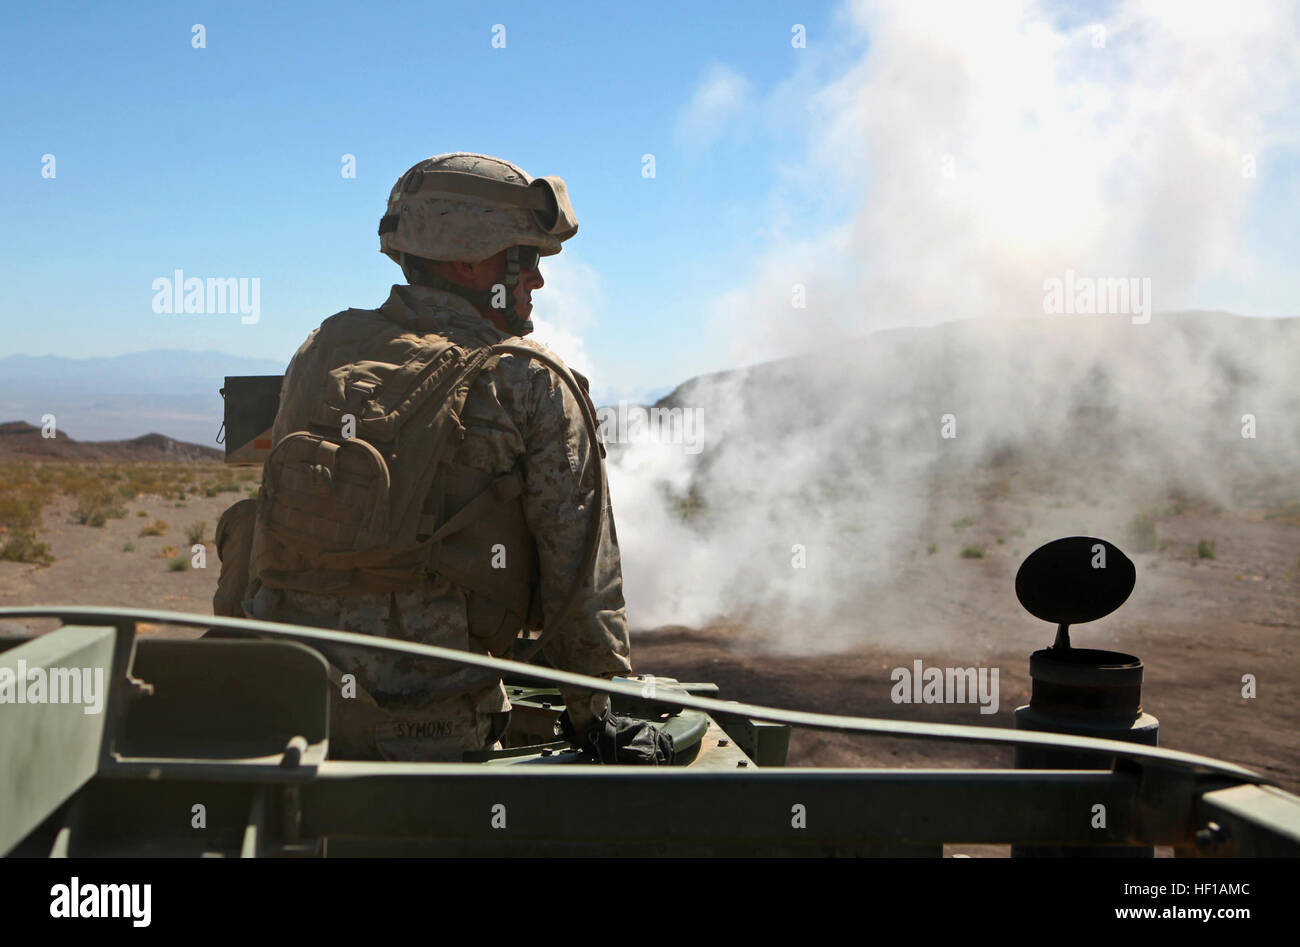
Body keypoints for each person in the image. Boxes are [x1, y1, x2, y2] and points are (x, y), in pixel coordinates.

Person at [214, 152, 668, 763]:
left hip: (290, 703)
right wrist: (597, 713)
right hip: (436, 726)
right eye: (526, 257)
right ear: (471, 258)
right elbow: (579, 576)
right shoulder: (529, 378)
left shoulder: (323, 347)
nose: (538, 279)